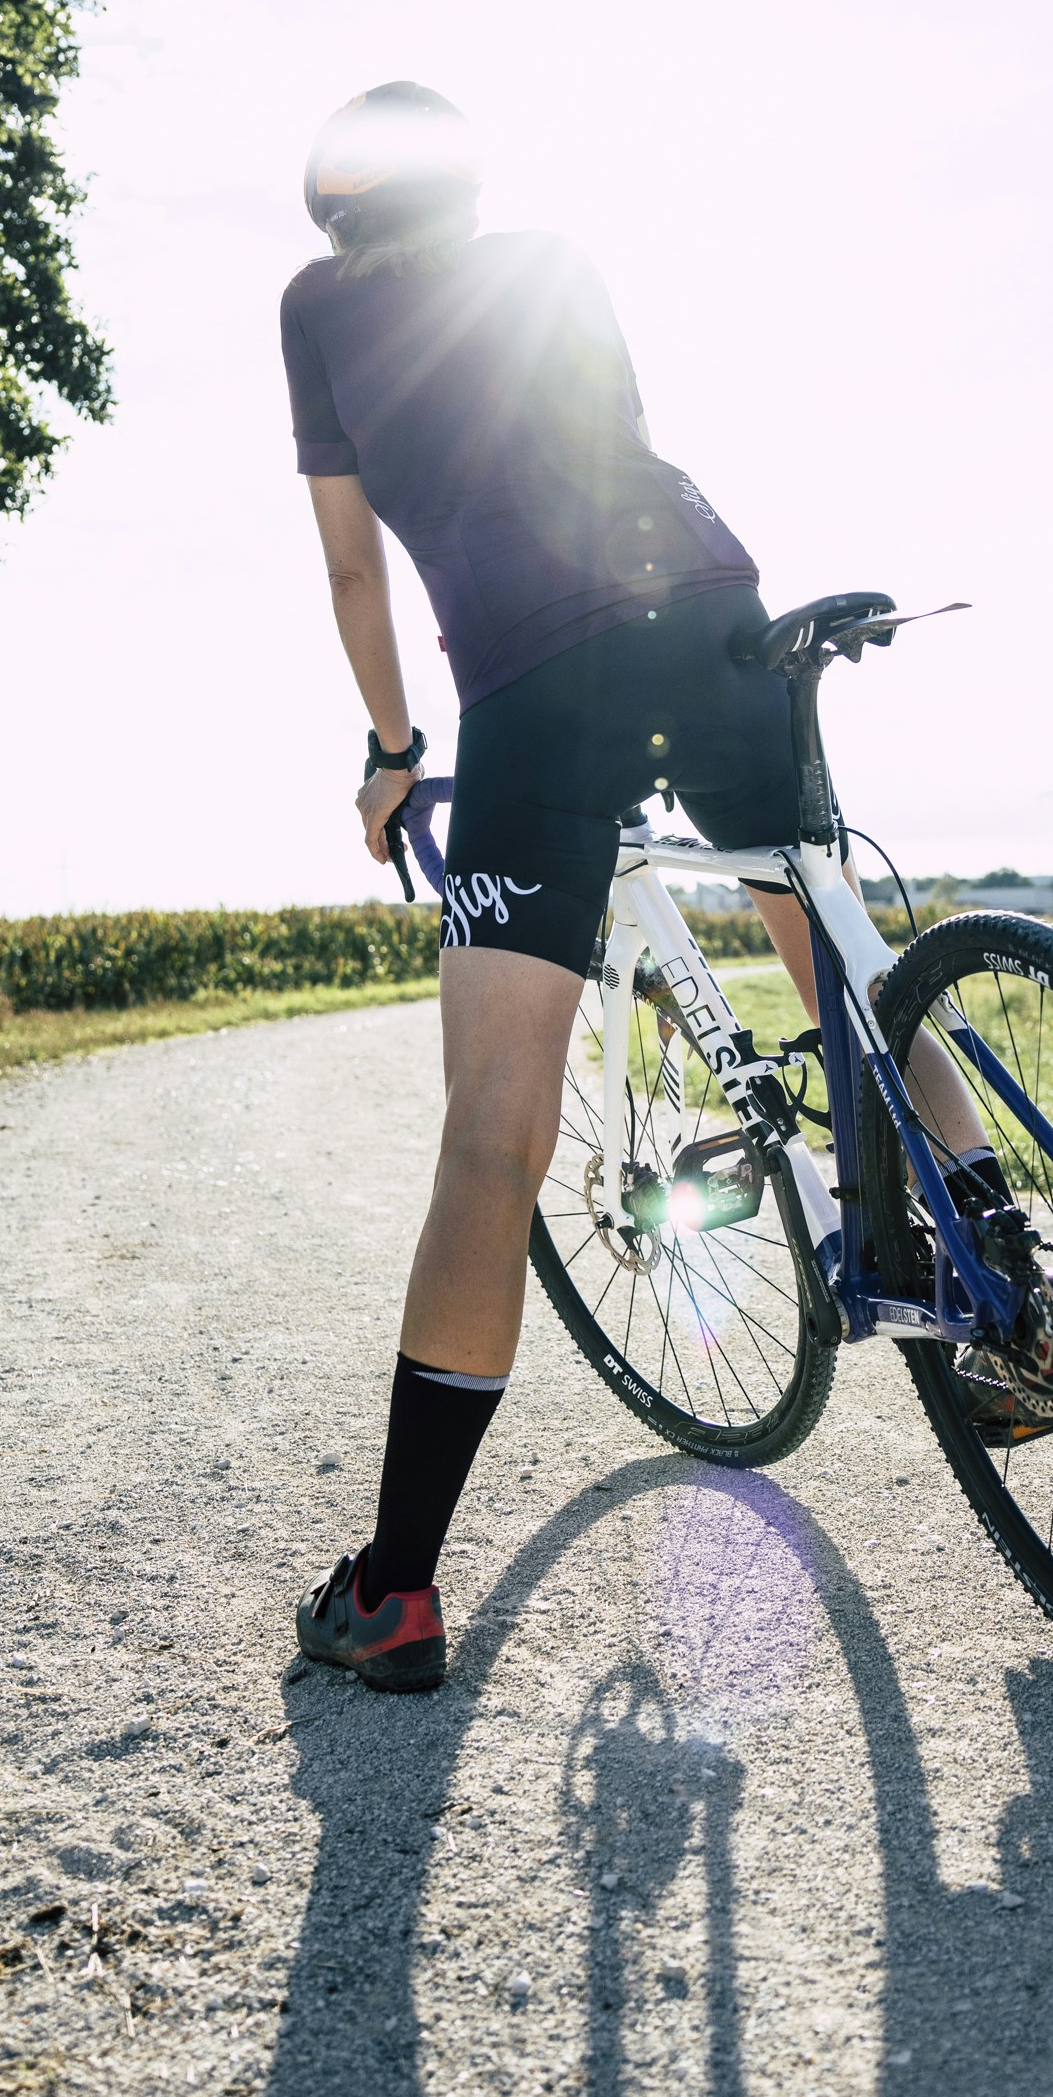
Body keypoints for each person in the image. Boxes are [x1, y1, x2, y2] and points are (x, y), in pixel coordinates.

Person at [282, 82, 977, 1692]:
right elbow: (616, 444)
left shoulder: (316, 306)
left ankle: (392, 1592)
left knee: (494, 1135)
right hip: (715, 612)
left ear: (331, 199)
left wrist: (394, 745)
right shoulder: (553, 258)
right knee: (847, 968)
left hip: (539, 680)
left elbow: (348, 558)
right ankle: (1000, 1291)